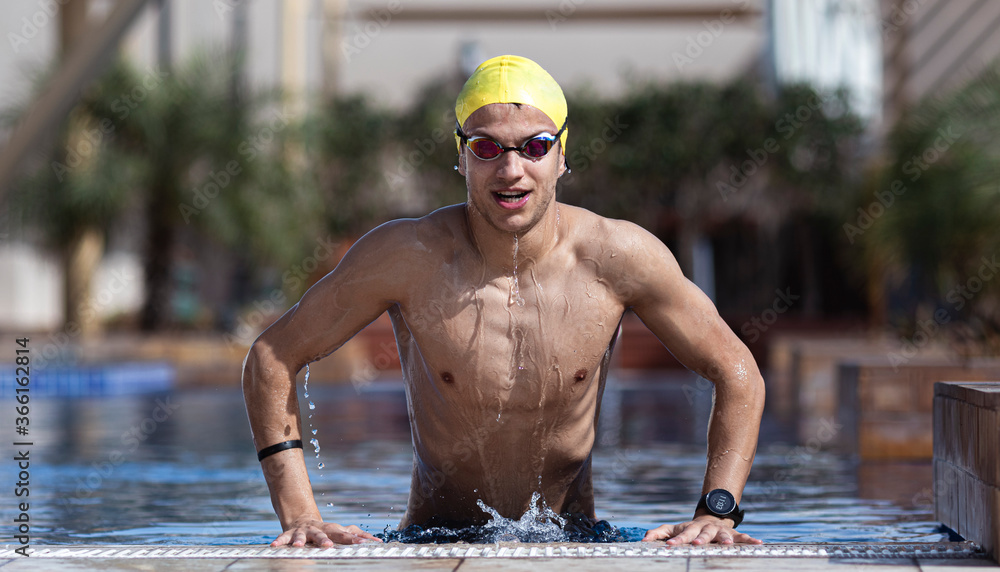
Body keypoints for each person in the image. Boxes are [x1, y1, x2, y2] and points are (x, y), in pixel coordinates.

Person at [242, 55, 766, 547]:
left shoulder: (617, 256)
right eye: (487, 148)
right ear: (461, 154)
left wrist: (716, 512)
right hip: (434, 539)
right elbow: (272, 356)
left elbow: (737, 370)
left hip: (574, 540)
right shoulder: (408, 256)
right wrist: (300, 516)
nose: (511, 169)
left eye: (534, 146)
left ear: (563, 153)